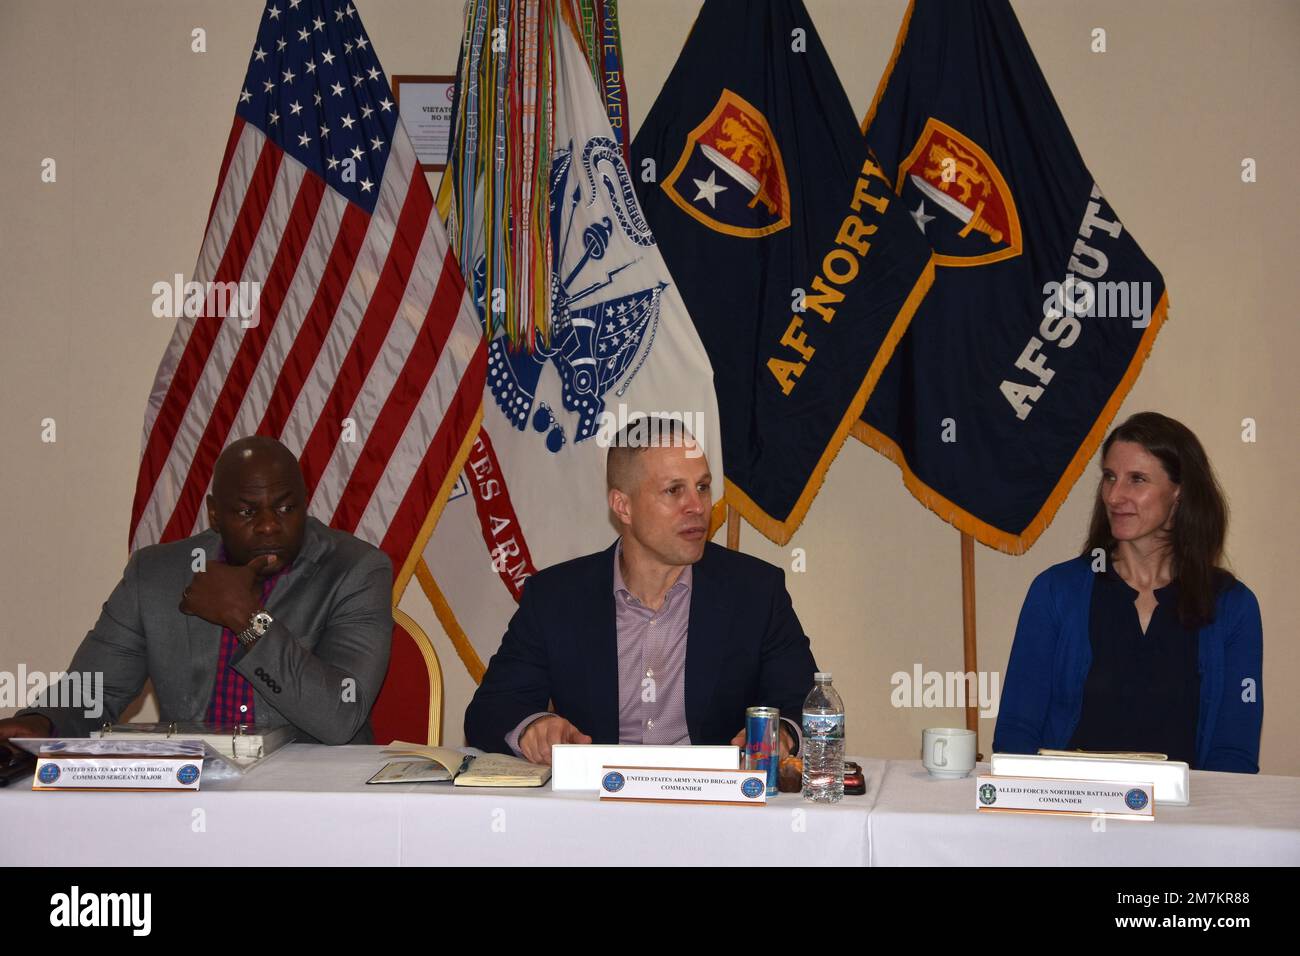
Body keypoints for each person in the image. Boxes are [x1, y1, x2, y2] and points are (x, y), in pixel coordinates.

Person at [465, 417, 818, 765]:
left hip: (713, 807)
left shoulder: (755, 591)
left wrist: (781, 734)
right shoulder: (556, 597)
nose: (697, 506)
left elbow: (806, 706)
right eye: (674, 490)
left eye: (703, 487)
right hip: (595, 806)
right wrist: (534, 727)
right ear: (623, 506)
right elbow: (489, 710)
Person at [0, 437, 393, 748]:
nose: (269, 526)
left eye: (286, 508)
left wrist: (248, 621)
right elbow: (94, 689)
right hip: (189, 790)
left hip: (310, 805)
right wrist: (43, 721)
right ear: (215, 514)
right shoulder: (156, 575)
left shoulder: (355, 571)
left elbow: (340, 717)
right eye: (247, 512)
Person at [993, 412, 1262, 772]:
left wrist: (1201, 825)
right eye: (1109, 477)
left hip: (1186, 818)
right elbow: (1017, 730)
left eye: (1137, 480)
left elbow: (1235, 752)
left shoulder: (1233, 606)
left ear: (1179, 492)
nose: (1114, 496)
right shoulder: (1056, 592)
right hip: (1068, 812)